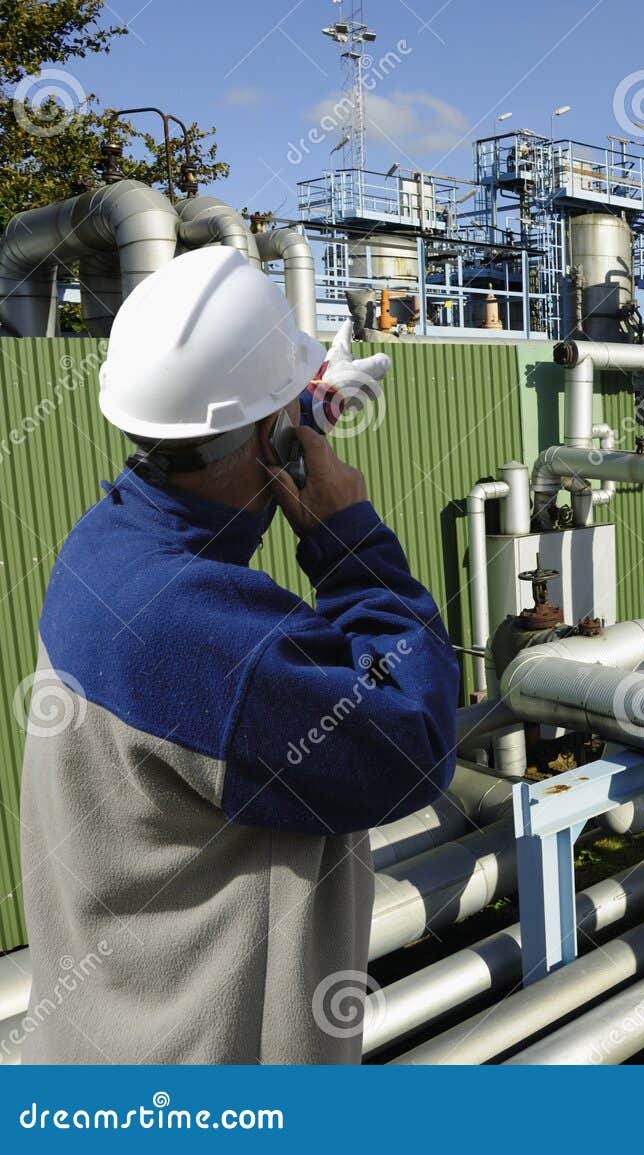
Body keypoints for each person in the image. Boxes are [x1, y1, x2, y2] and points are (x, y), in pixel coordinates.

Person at [17, 246, 458, 1063]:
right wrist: (350, 544)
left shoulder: (103, 546)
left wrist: (288, 424)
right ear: (264, 434)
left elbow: (209, 503)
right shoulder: (219, 641)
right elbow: (416, 740)